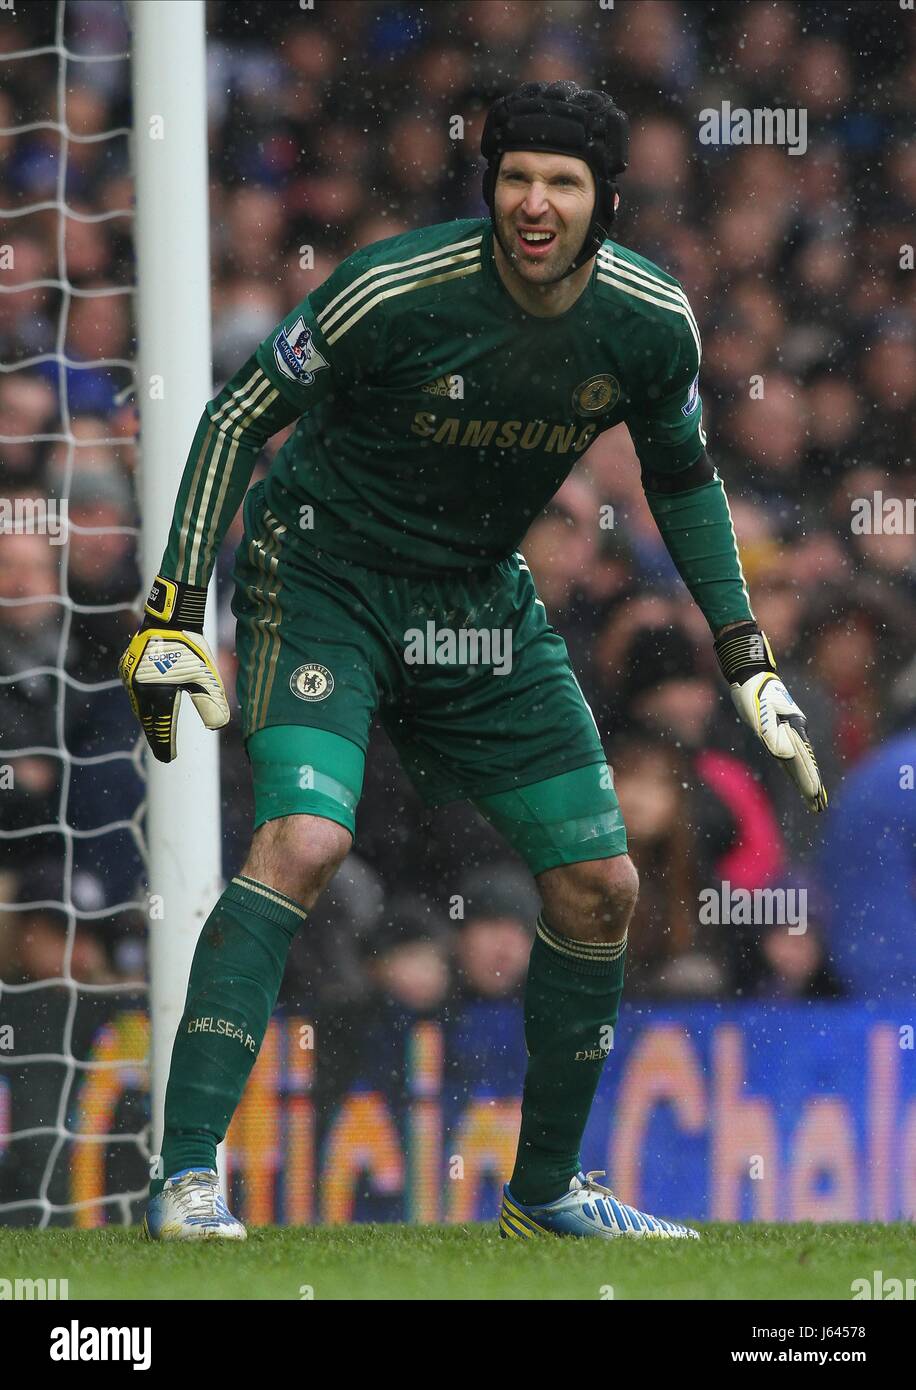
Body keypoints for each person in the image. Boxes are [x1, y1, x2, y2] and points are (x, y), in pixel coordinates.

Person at [119, 80, 826, 1243]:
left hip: (479, 605)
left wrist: (746, 655)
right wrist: (169, 612)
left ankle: (543, 1194)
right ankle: (187, 1177)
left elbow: (686, 479)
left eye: (560, 182)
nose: (532, 202)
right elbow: (239, 412)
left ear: (605, 201)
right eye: (513, 178)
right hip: (325, 579)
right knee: (303, 839)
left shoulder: (650, 322)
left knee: (603, 885)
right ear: (488, 185)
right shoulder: (396, 288)